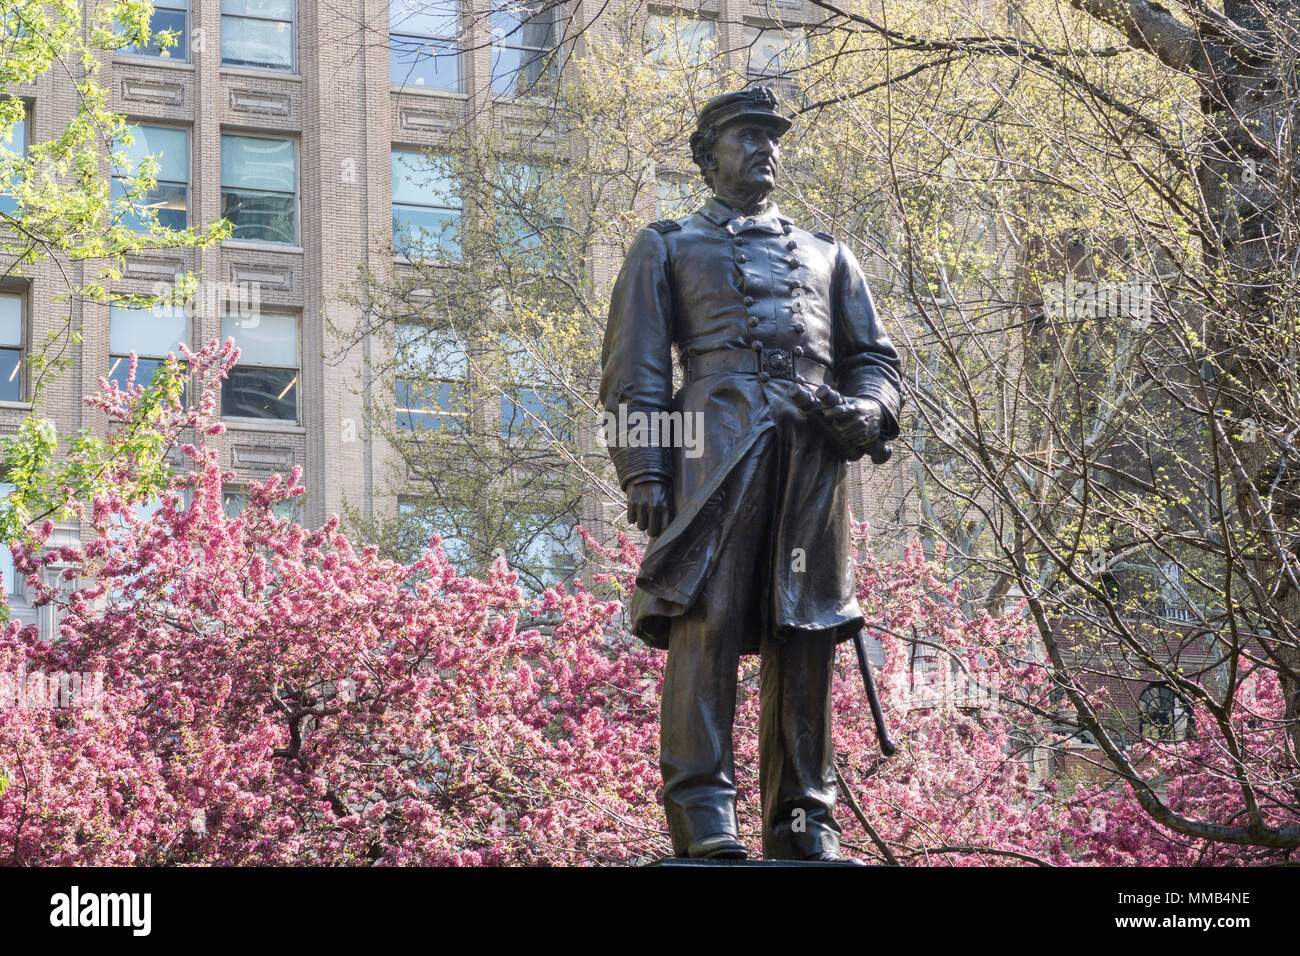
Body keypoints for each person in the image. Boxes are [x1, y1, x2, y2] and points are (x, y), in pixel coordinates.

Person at [600, 87, 903, 861]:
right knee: (708, 629)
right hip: (713, 457)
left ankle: (804, 820)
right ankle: (704, 819)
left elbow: (872, 359)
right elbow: (634, 371)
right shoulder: (665, 246)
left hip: (809, 467)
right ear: (708, 156)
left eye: (772, 136)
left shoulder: (830, 253)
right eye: (745, 136)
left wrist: (870, 413)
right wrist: (645, 472)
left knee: (806, 635)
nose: (764, 148)